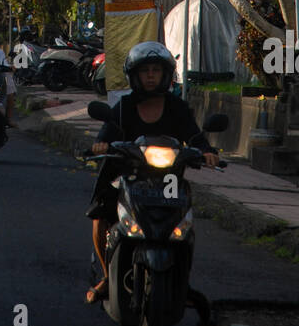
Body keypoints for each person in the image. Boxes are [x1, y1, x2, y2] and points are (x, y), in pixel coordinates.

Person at [85, 42, 220, 305]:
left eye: (156, 70)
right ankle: (106, 277)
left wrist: (207, 152)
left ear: (166, 74)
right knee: (100, 216)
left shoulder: (177, 107)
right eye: (145, 70)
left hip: (168, 181)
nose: (150, 76)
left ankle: (181, 277)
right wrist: (100, 145)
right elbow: (106, 133)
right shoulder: (123, 107)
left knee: (185, 226)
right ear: (134, 75)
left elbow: (195, 136)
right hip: (126, 177)